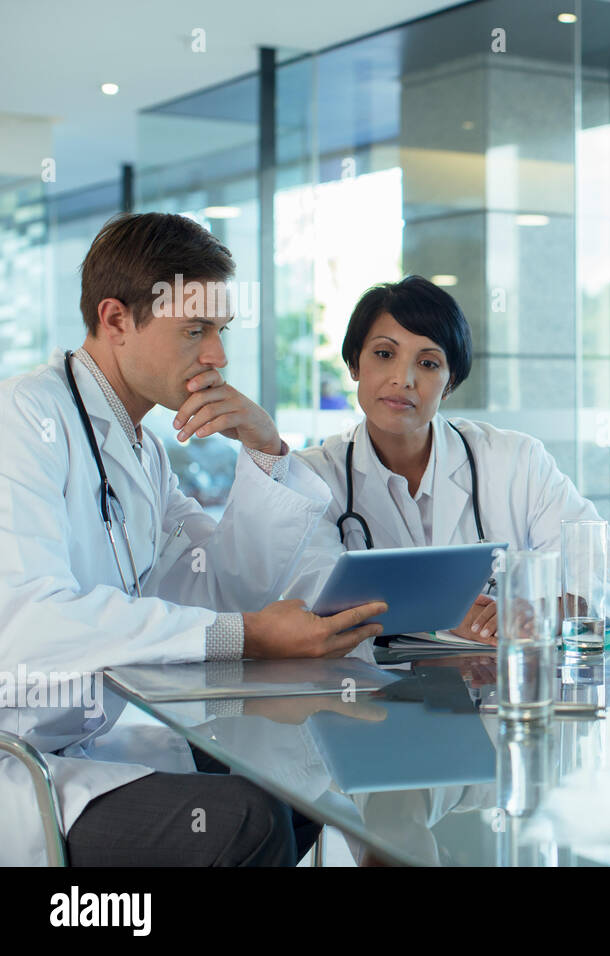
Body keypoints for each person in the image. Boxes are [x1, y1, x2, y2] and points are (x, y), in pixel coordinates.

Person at [0, 212, 386, 867]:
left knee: (295, 796)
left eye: (221, 331)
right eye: (195, 330)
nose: (218, 356)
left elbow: (215, 590)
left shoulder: (144, 452)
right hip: (16, 761)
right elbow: (26, 620)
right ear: (117, 320)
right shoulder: (25, 420)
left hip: (75, 748)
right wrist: (251, 634)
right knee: (246, 824)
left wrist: (265, 451)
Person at [285, 276, 610, 639]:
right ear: (354, 364)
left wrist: (558, 609)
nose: (404, 378)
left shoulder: (515, 461)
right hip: (363, 690)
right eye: (384, 354)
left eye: (428, 363)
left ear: (451, 383)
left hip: (494, 687)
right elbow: (306, 593)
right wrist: (441, 613)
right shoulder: (314, 475)